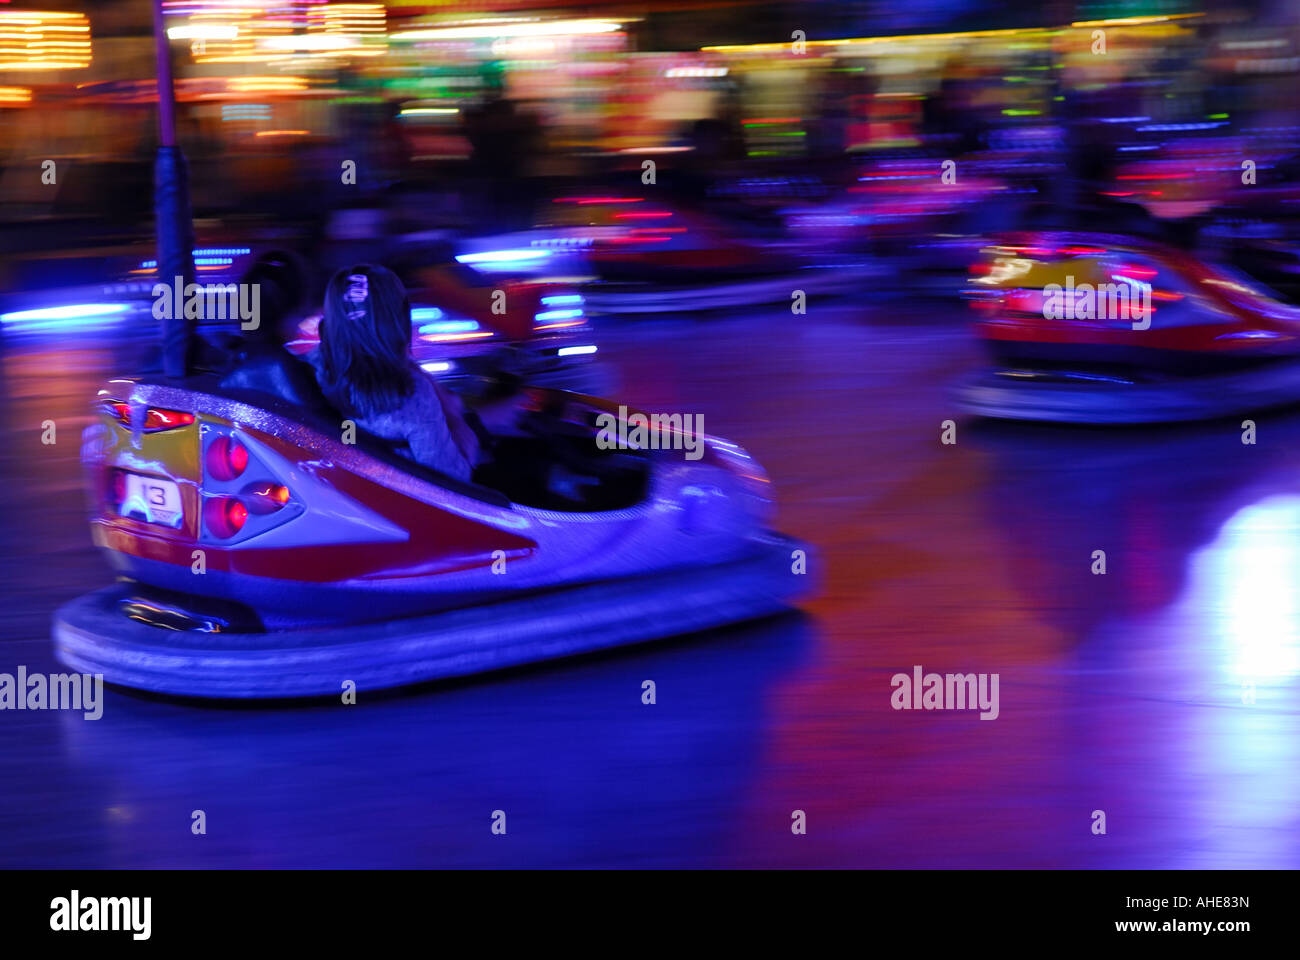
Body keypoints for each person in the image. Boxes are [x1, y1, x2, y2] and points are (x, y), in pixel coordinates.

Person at [308, 264, 481, 482]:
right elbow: (451, 480)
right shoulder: (409, 393)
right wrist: (456, 421)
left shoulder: (310, 369)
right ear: (396, 318)